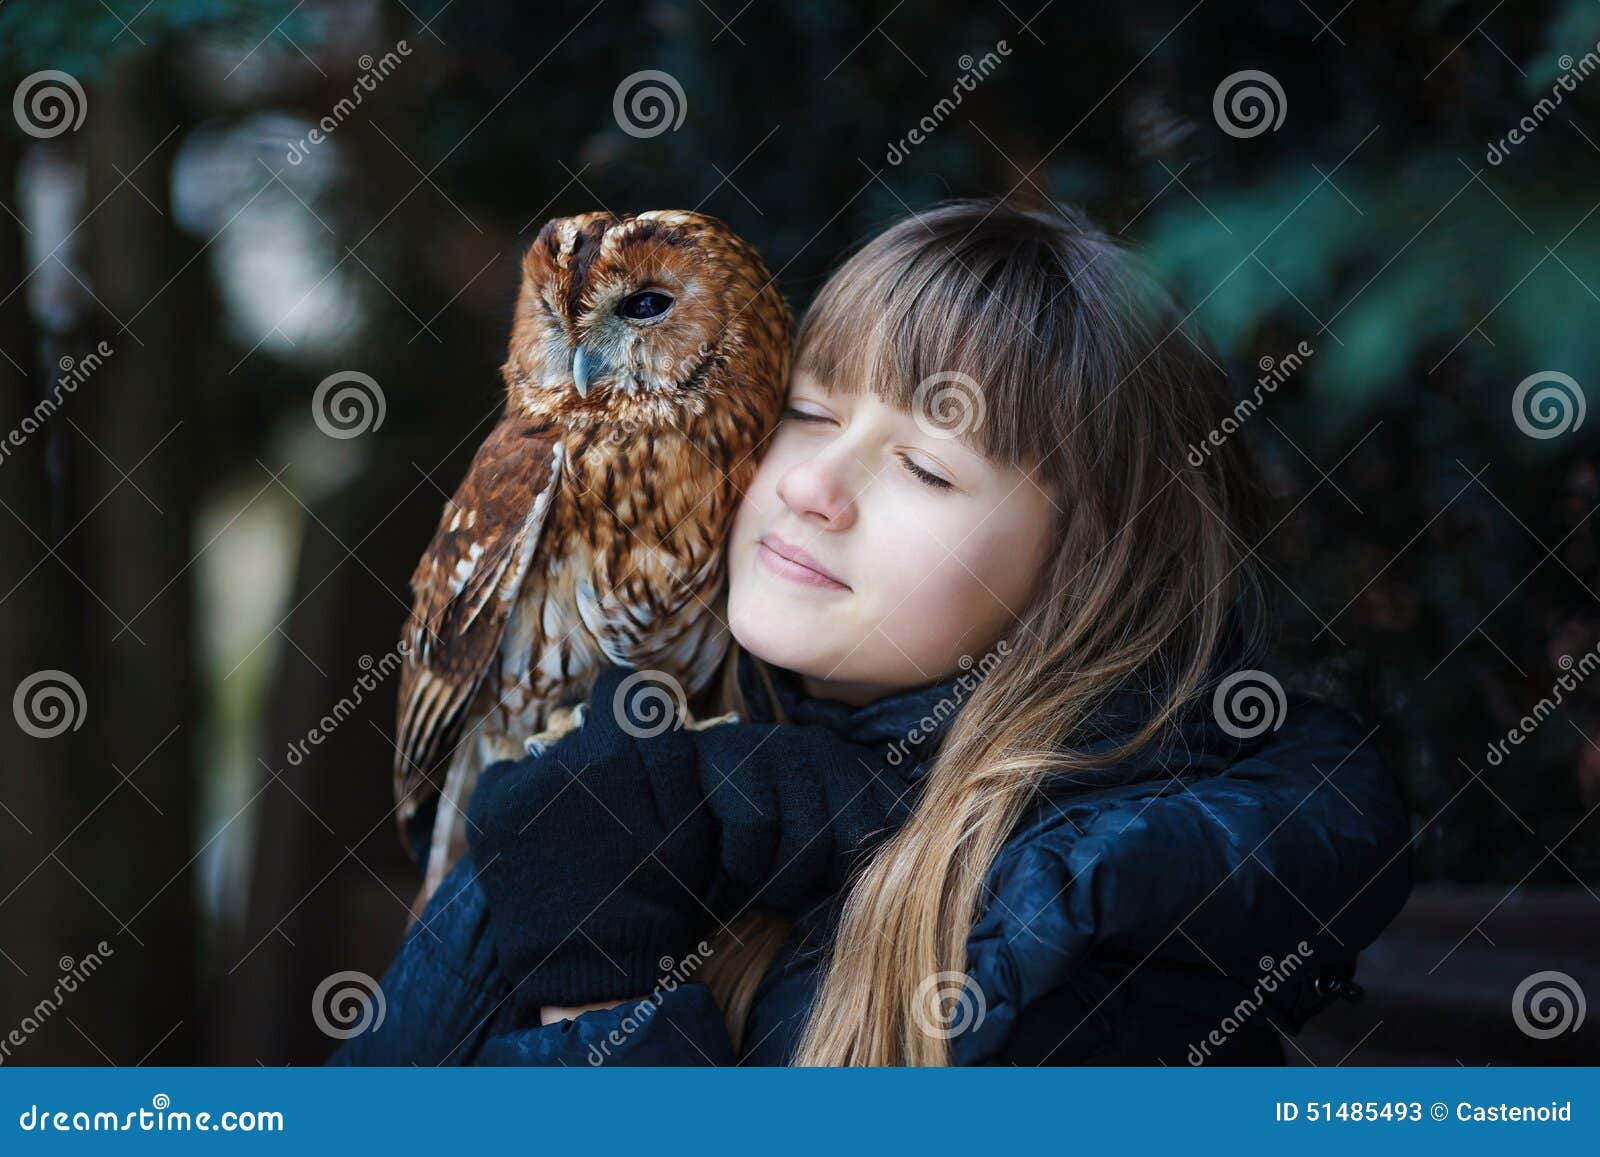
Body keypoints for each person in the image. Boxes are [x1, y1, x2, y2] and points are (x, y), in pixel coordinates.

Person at [329, 197, 1413, 1067]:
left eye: (929, 467)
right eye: (807, 410)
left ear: (1086, 570)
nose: (812, 484)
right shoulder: (641, 776)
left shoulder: (1097, 928)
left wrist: (602, 983)